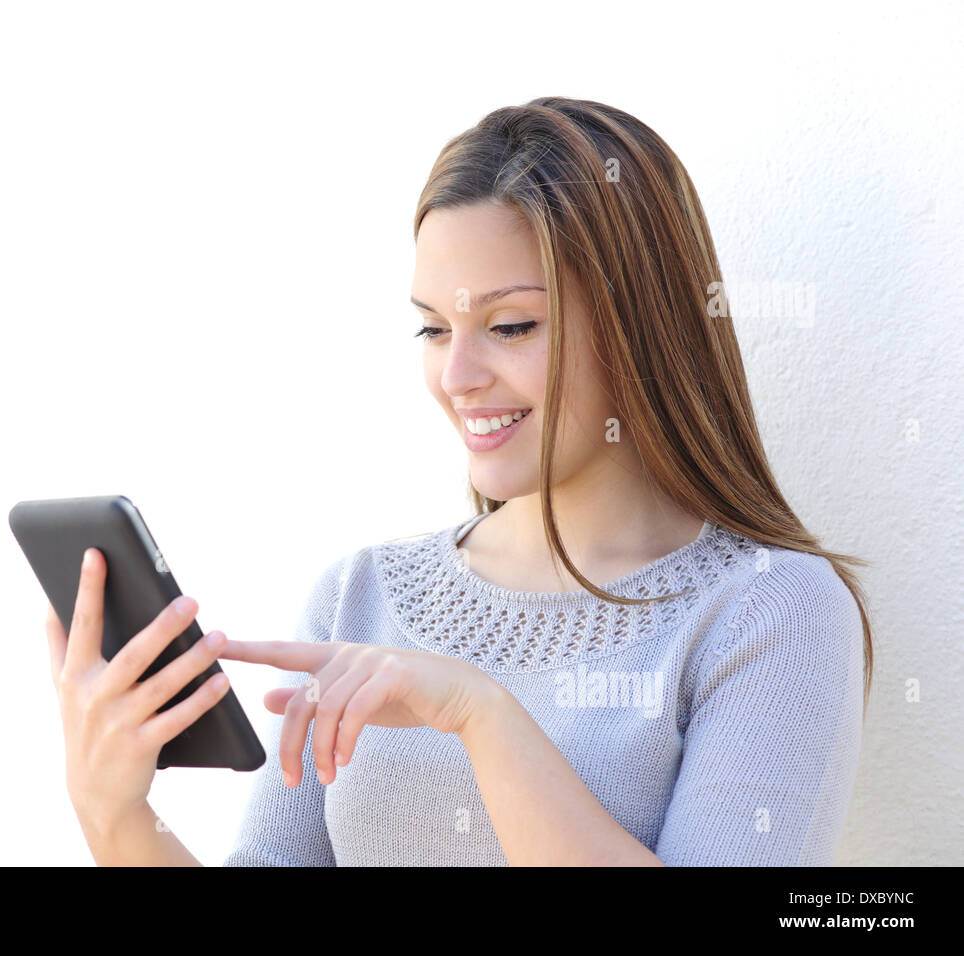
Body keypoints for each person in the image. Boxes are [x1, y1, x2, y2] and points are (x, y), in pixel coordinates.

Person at [45, 96, 873, 866]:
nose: (457, 375)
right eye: (435, 329)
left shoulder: (770, 611)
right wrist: (114, 812)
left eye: (510, 326)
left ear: (640, 326)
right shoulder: (358, 597)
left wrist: (482, 716)